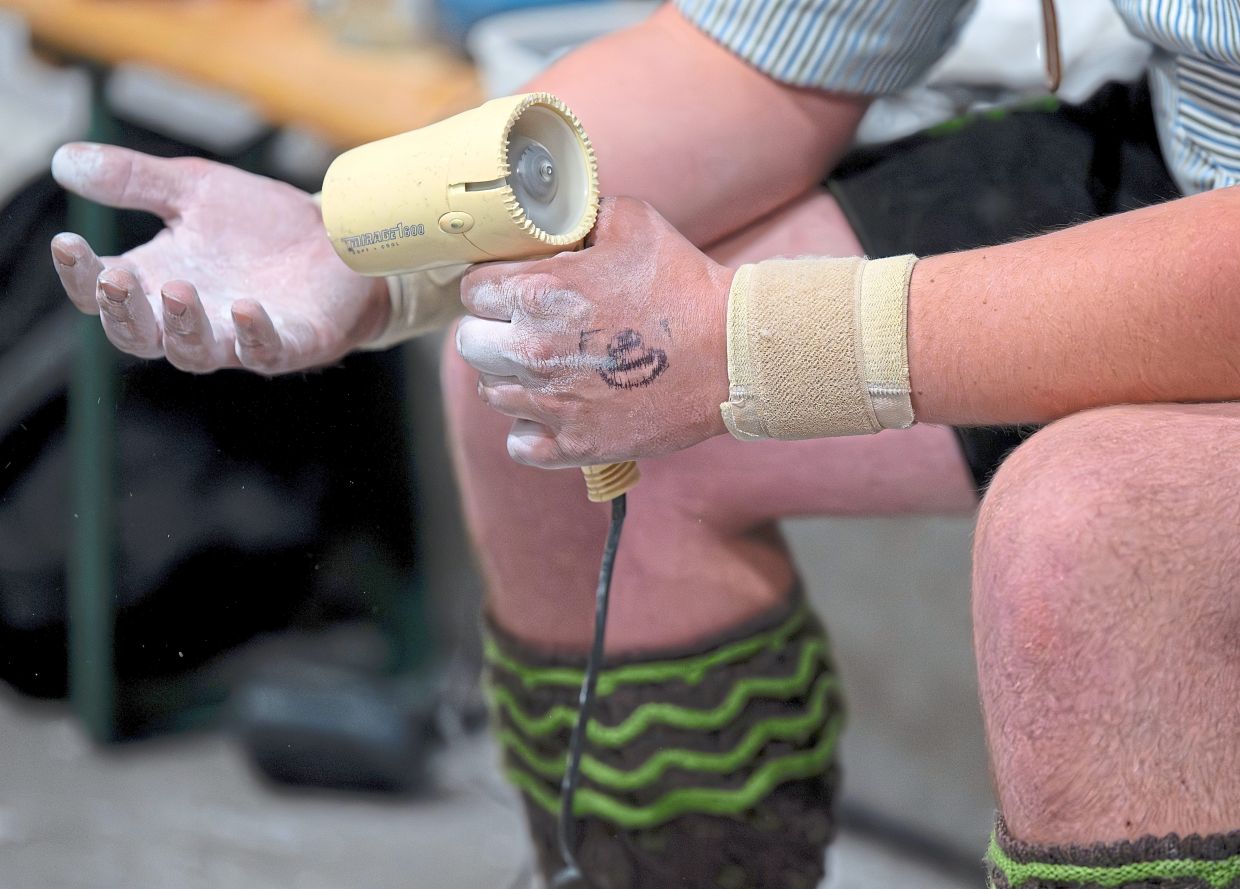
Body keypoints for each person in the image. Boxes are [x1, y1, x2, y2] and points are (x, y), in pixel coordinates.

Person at [49, 2, 1240, 887]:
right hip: (1198, 152)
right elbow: (763, 56)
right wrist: (366, 241)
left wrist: (749, 342)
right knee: (544, 369)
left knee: (1090, 541)